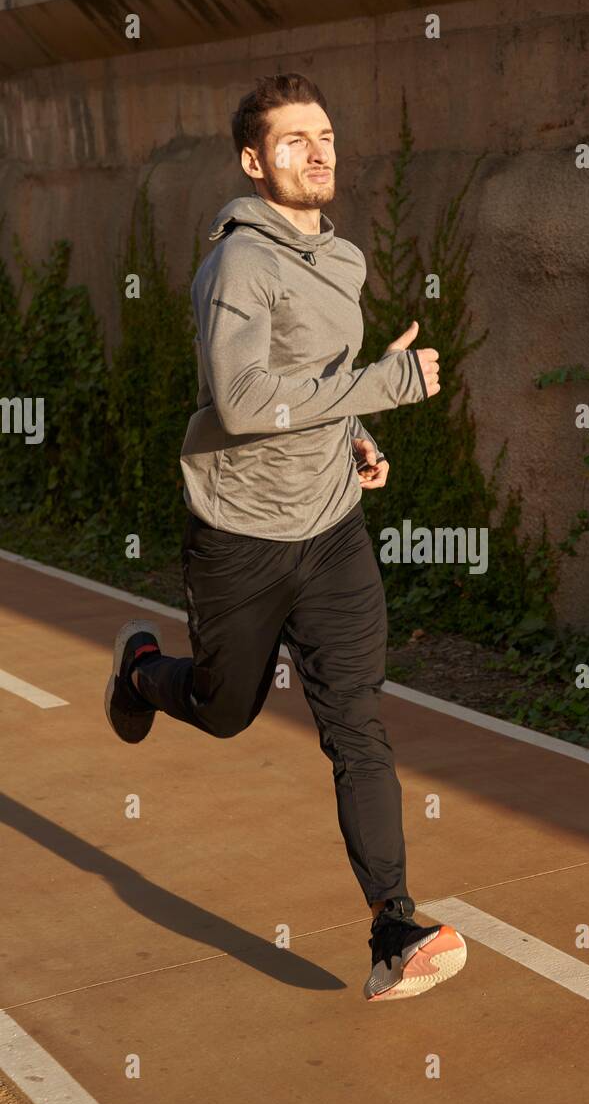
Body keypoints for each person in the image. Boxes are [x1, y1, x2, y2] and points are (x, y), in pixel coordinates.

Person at [104, 73, 467, 1001]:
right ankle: (143, 669)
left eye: (327, 134)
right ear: (254, 161)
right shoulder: (238, 268)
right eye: (295, 140)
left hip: (333, 528)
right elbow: (245, 403)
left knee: (357, 724)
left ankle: (394, 928)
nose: (319, 151)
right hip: (241, 533)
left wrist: (356, 436)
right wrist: (385, 388)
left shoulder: (338, 259)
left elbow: (316, 381)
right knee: (227, 710)